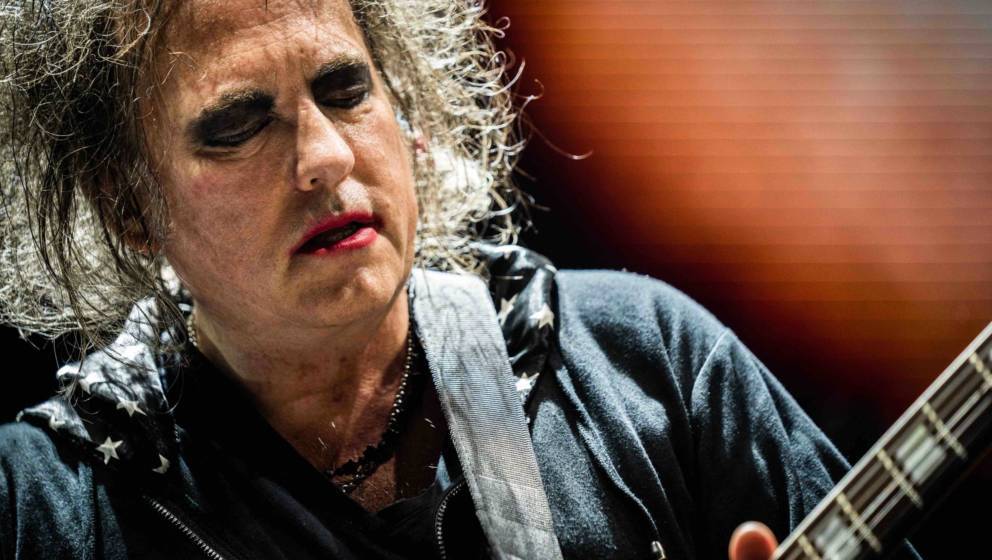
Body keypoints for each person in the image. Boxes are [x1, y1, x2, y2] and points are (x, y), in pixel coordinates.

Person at [0, 1, 922, 559]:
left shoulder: (649, 363)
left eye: (346, 90)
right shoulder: (42, 507)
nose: (326, 157)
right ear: (128, 203)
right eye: (240, 125)